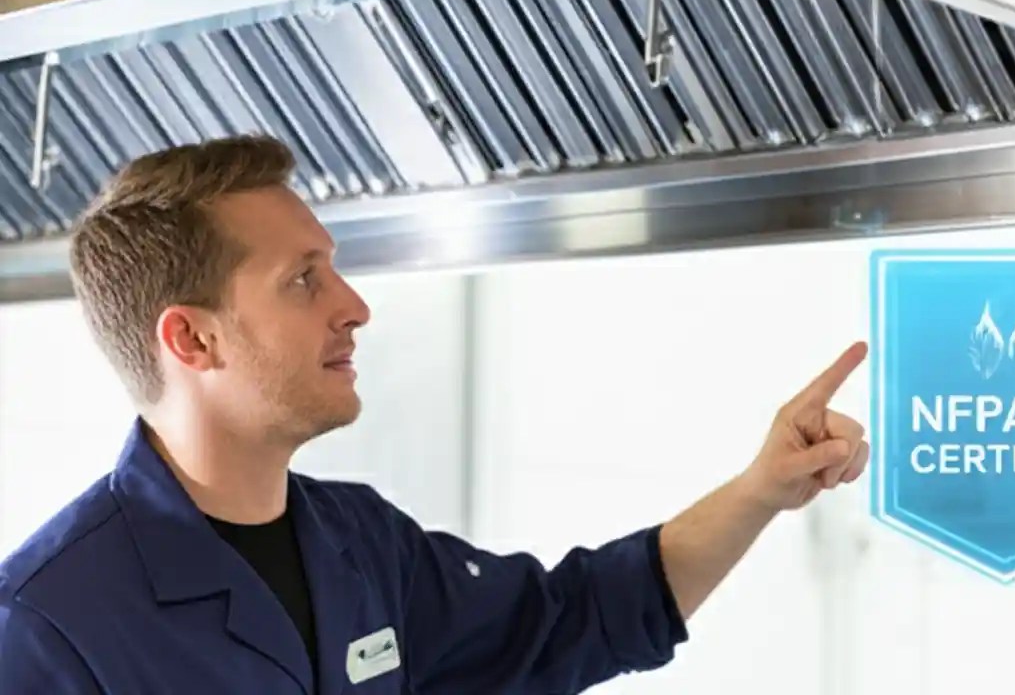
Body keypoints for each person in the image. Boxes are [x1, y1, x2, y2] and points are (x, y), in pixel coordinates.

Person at [0, 135, 870, 694]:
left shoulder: (362, 546)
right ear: (191, 340)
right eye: (303, 279)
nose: (353, 307)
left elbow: (577, 618)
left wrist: (761, 490)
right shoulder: (46, 623)